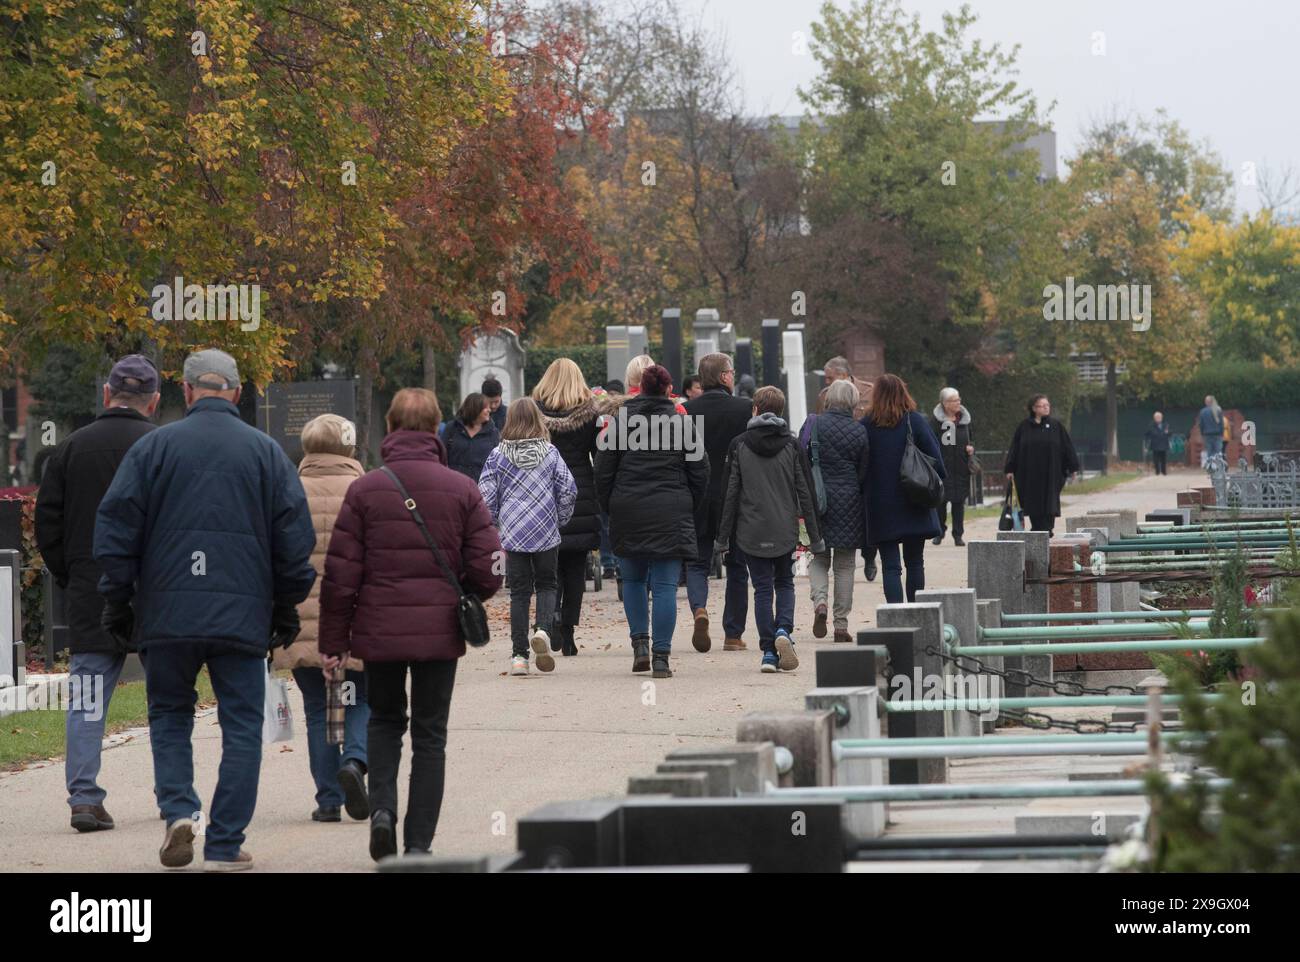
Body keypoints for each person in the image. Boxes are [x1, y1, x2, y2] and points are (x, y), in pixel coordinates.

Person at [94, 349, 316, 872]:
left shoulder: (154, 449)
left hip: (167, 612)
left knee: (169, 713)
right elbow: (294, 540)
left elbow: (116, 529)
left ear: (187, 392)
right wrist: (286, 606)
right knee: (242, 723)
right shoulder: (266, 454)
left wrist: (117, 597)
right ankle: (224, 841)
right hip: (242, 616)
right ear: (237, 394)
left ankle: (178, 810)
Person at [319, 388, 502, 860]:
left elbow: (341, 574)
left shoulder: (365, 490)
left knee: (383, 722)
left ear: (392, 425)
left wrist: (333, 642)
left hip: (379, 630)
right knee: (430, 735)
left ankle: (382, 811)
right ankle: (418, 844)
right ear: (436, 426)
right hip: (440, 630)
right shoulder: (462, 488)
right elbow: (488, 567)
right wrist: (467, 595)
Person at [35, 354, 159, 834]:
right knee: (165, 697)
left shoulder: (69, 449)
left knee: (87, 697)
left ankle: (84, 797)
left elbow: (48, 523)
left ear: (107, 395)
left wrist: (70, 574)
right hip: (154, 592)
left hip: (91, 591)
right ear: (153, 401)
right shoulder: (160, 446)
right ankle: (173, 793)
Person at [272, 414, 370, 824]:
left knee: (318, 706)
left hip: (301, 617)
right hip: (357, 615)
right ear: (348, 448)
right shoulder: (365, 490)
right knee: (361, 698)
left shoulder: (288, 491)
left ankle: (328, 799)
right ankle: (355, 759)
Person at [595, 364, 708, 678]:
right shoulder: (683, 424)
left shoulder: (619, 423)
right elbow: (701, 473)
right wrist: (688, 505)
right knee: (665, 587)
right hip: (671, 511)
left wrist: (611, 506)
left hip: (628, 510)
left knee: (631, 580)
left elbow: (603, 472)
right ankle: (661, 657)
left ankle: (640, 646)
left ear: (640, 389)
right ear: (669, 391)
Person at [716, 386, 823, 673]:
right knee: (785, 582)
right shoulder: (791, 445)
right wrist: (815, 536)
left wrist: (722, 537)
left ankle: (767, 653)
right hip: (784, 528)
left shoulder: (739, 445)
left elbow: (730, 493)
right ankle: (783, 631)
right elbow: (805, 491)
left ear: (755, 408)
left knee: (762, 588)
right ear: (780, 411)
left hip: (750, 530)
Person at [478, 398, 576, 676]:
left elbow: (485, 496)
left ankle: (519, 656)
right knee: (547, 584)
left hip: (513, 533)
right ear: (538, 420)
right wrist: (560, 518)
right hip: (545, 529)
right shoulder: (551, 453)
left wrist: (497, 522)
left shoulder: (497, 456)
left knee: (519, 593)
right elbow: (568, 489)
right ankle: (543, 631)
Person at [533, 358, 608, 656]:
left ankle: (549, 619)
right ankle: (569, 630)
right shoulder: (590, 414)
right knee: (576, 567)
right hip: (579, 493)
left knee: (548, 567)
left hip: (543, 492)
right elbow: (599, 456)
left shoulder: (535, 411)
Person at [683, 353, 754, 652]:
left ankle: (699, 607)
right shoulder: (744, 409)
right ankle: (733, 634)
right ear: (725, 376)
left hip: (697, 496)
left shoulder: (685, 411)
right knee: (737, 565)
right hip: (735, 496)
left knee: (697, 562)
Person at [861, 373, 945, 604]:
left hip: (881, 504)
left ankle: (895, 617)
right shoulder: (914, 421)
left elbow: (860, 465)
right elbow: (936, 460)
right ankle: (916, 612)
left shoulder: (866, 425)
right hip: (914, 499)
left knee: (890, 566)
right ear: (903, 393)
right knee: (915, 562)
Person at [800, 379, 868, 644]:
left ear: (828, 398)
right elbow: (864, 471)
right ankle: (841, 625)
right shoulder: (859, 431)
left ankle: (820, 604)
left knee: (817, 557)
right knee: (845, 565)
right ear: (852, 401)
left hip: (815, 501)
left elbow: (801, 458)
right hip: (849, 501)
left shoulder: (812, 424)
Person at [1003, 394, 1080, 537]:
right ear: (1033, 408)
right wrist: (1010, 468)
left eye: (1047, 405)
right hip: (1030, 473)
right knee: (1033, 502)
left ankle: (1047, 529)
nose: (1046, 407)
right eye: (1042, 405)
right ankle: (1038, 529)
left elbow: (1067, 447)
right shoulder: (1024, 427)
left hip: (1051, 472)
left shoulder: (1056, 426)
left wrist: (1073, 467)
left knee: (1050, 501)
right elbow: (1015, 448)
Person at [928, 387, 974, 546]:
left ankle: (958, 535)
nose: (958, 402)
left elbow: (971, 438)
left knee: (959, 503)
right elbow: (930, 441)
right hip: (943, 467)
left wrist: (970, 447)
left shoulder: (964, 420)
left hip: (961, 467)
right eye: (955, 400)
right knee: (941, 502)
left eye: (959, 399)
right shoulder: (935, 421)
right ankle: (939, 532)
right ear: (945, 403)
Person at [444, 392, 500, 482]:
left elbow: (497, 462)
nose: (489, 410)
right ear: (475, 408)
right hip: (454, 484)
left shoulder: (493, 433)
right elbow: (441, 456)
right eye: (486, 407)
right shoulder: (452, 428)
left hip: (482, 487)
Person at [1197, 395, 1224, 468]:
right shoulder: (1218, 410)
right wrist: (1222, 433)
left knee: (1209, 452)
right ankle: (1219, 468)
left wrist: (1202, 433)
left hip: (1207, 434)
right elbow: (1221, 423)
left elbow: (1201, 424)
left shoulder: (1202, 412)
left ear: (1206, 402)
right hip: (1217, 434)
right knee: (1218, 451)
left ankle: (1211, 468)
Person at [1145, 411, 1171, 476]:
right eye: (1157, 417)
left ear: (1162, 417)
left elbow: (1169, 433)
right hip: (1155, 445)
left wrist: (1168, 432)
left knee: (1163, 459)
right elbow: (1148, 433)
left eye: (1160, 417)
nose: (1159, 418)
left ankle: (1164, 472)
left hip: (1164, 444)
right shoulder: (1151, 425)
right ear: (1154, 418)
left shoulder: (1165, 424)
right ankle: (1157, 472)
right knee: (1156, 460)